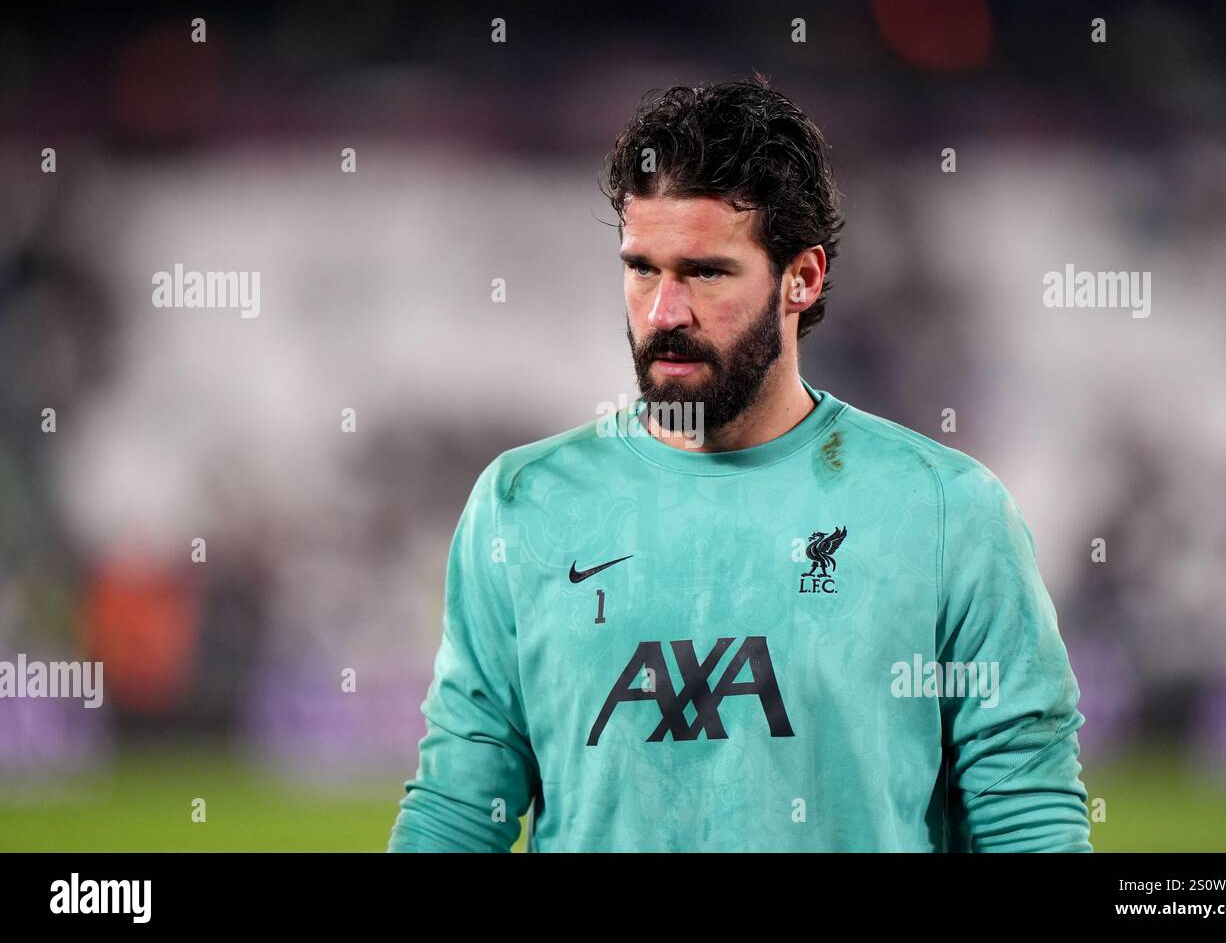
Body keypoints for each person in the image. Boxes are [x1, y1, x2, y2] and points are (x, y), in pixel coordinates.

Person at [388, 74, 1091, 852]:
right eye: (642, 267)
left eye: (706, 272)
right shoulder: (522, 505)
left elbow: (1027, 817)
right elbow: (457, 809)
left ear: (804, 277)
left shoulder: (946, 511)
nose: (665, 311)